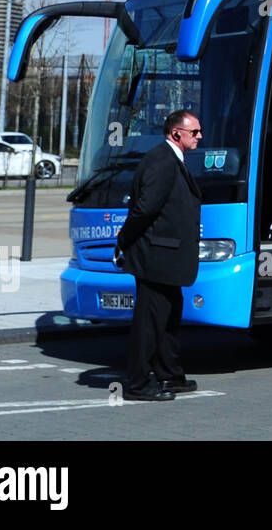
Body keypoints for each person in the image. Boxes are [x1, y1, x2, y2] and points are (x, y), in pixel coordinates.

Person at [115, 109, 204, 401]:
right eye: (195, 132)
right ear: (177, 134)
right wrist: (124, 239)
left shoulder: (171, 160)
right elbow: (145, 209)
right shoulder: (162, 162)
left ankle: (169, 374)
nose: (200, 137)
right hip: (156, 257)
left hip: (168, 258)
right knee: (150, 323)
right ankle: (139, 383)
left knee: (168, 319)